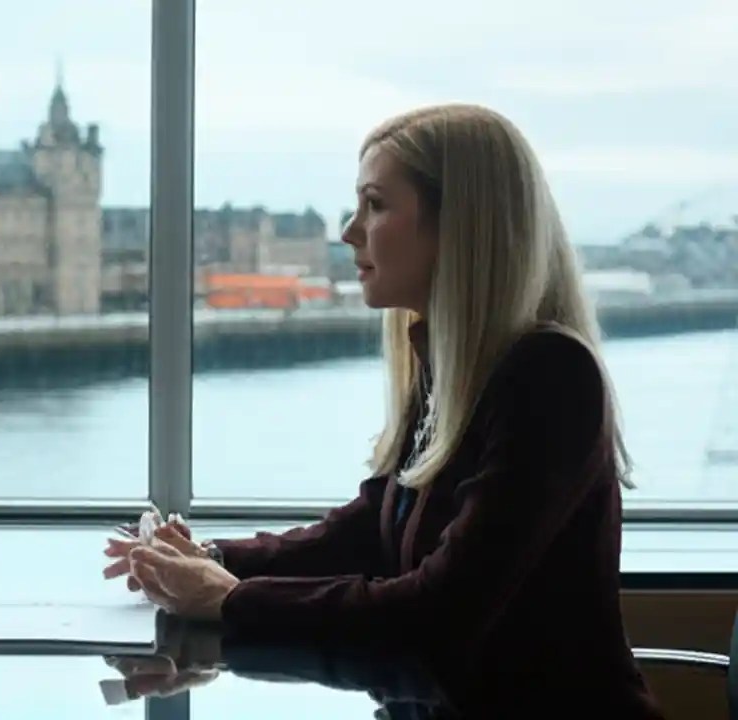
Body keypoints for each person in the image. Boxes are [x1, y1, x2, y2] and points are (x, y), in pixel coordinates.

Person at [104, 104, 664, 716]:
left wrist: (231, 600)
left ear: (459, 225)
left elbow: (437, 614)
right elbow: (374, 527)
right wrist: (211, 561)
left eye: (375, 204)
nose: (348, 231)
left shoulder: (548, 378)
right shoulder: (455, 363)